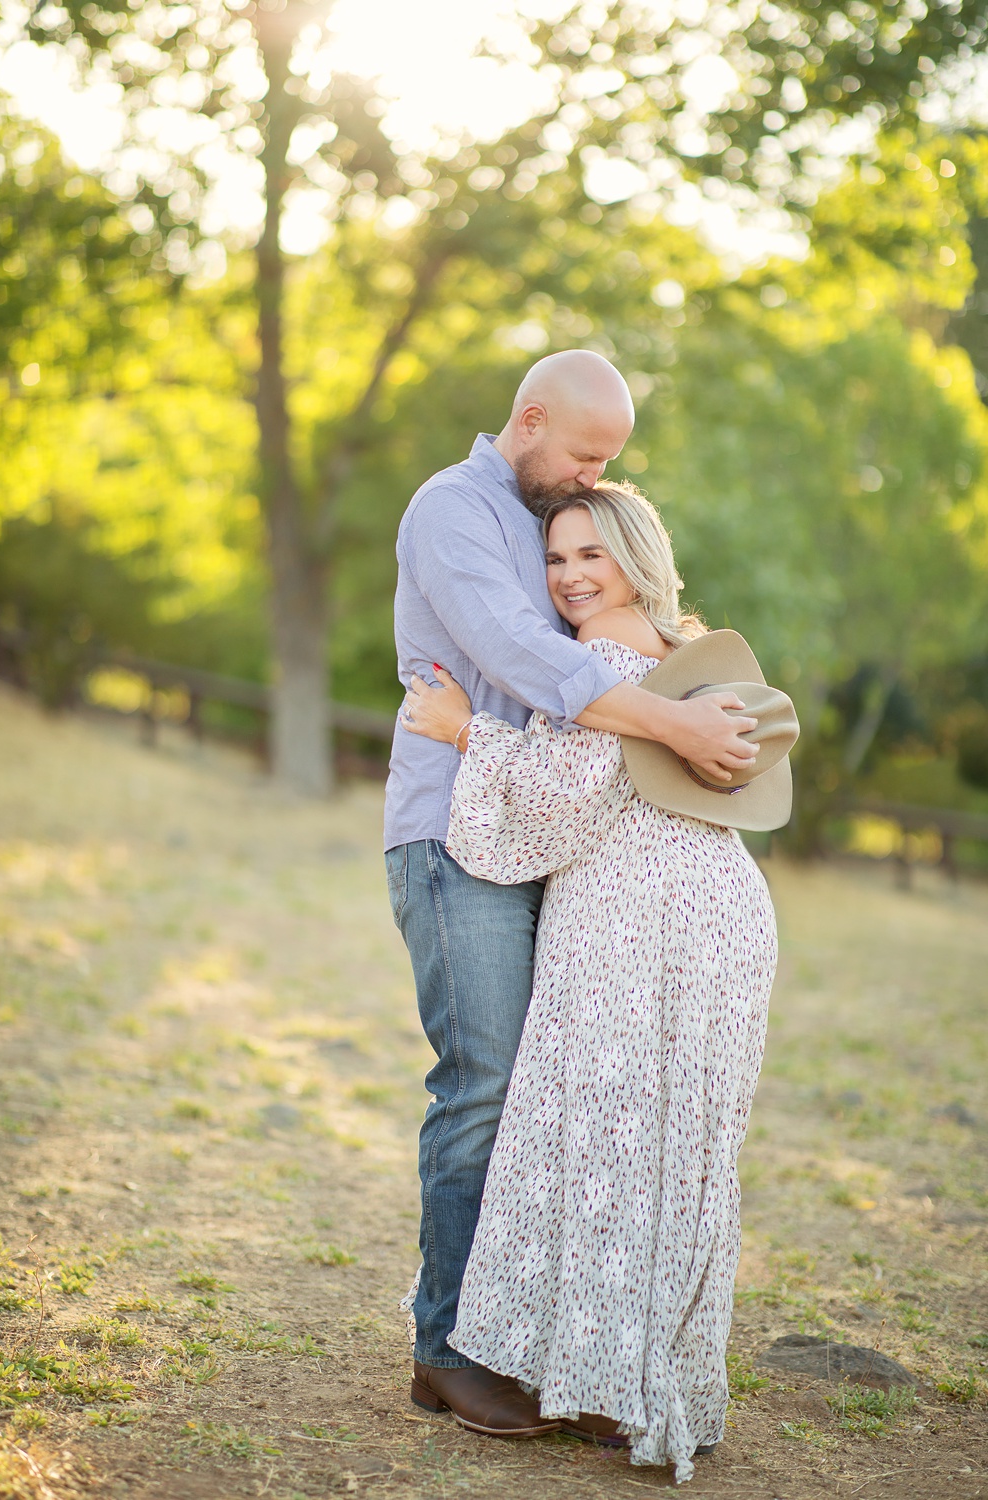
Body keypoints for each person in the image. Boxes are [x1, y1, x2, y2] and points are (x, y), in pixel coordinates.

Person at [384, 351, 760, 1440]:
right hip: (457, 832)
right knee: (487, 1090)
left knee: (560, 1112)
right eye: (588, 453)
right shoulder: (450, 510)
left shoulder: (556, 523)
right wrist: (669, 717)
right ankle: (447, 1353)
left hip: (551, 848)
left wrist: (682, 699)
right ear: (531, 418)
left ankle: (555, 1351)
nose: (594, 474)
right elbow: (509, 647)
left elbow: (599, 661)